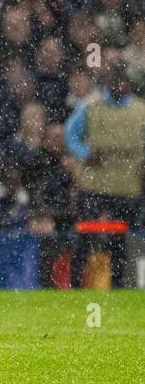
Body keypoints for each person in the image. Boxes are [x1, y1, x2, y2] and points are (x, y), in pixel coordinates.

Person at [64, 59, 145, 288]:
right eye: (115, 80)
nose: (119, 85)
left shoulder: (140, 111)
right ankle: (76, 283)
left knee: (120, 240)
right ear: (108, 83)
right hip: (93, 184)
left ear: (129, 83)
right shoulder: (91, 107)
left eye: (123, 80)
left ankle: (118, 284)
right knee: (85, 235)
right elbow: (71, 134)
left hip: (126, 185)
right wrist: (85, 152)